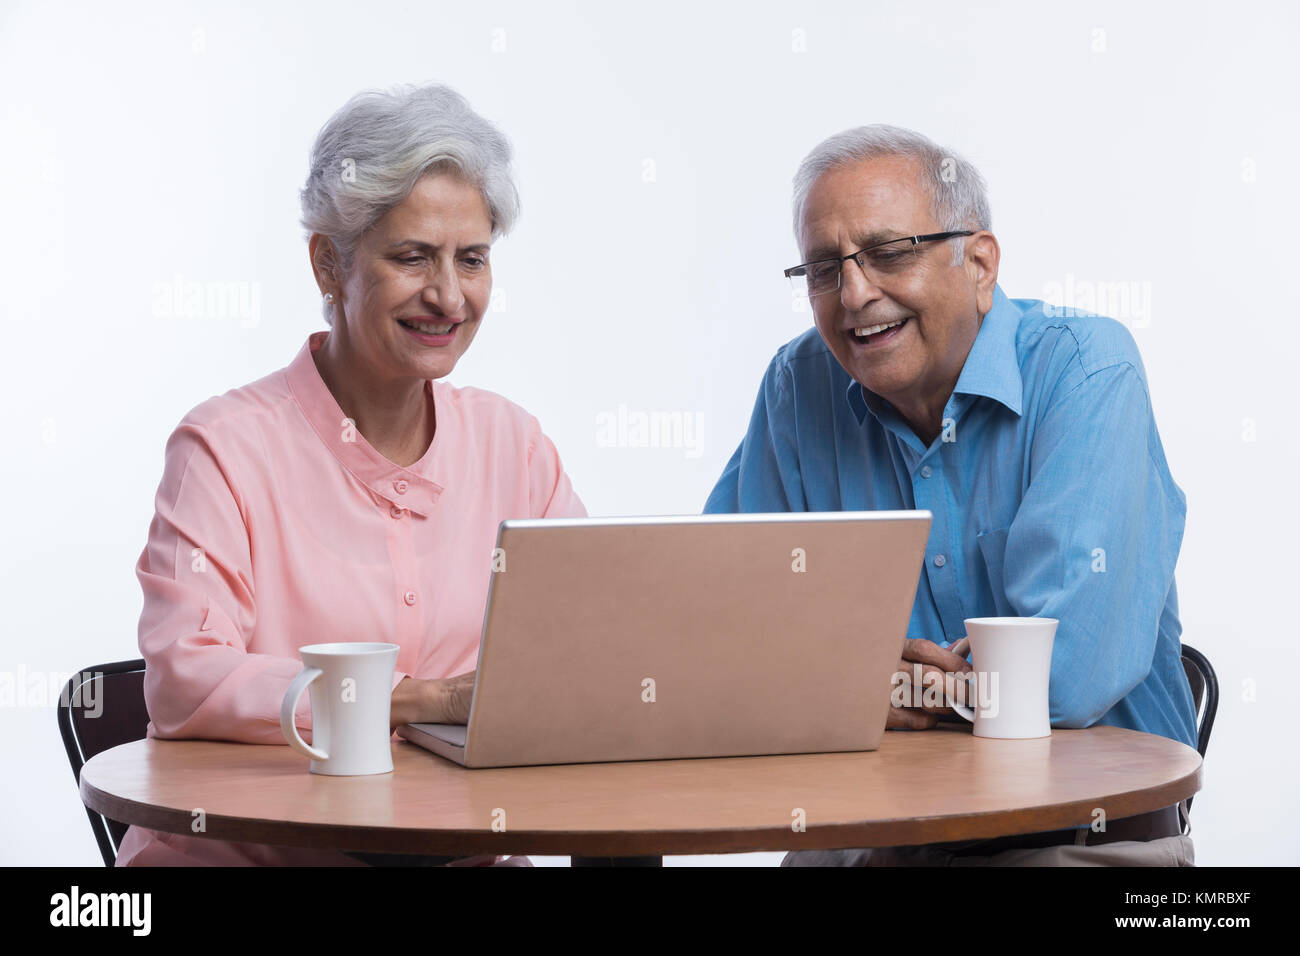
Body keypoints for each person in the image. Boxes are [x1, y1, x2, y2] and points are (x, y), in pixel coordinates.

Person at [116, 83, 583, 866]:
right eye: (411, 257)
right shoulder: (225, 449)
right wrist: (427, 701)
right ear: (328, 263)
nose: (447, 294)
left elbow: (586, 644)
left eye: (471, 259)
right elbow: (185, 678)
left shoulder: (514, 444)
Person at [703, 125, 1197, 866]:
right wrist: (860, 685)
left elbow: (1062, 677)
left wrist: (861, 687)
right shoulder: (797, 385)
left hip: (1076, 842)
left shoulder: (1088, 371)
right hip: (865, 836)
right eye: (823, 268)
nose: (854, 293)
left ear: (979, 263)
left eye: (888, 252)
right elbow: (712, 633)